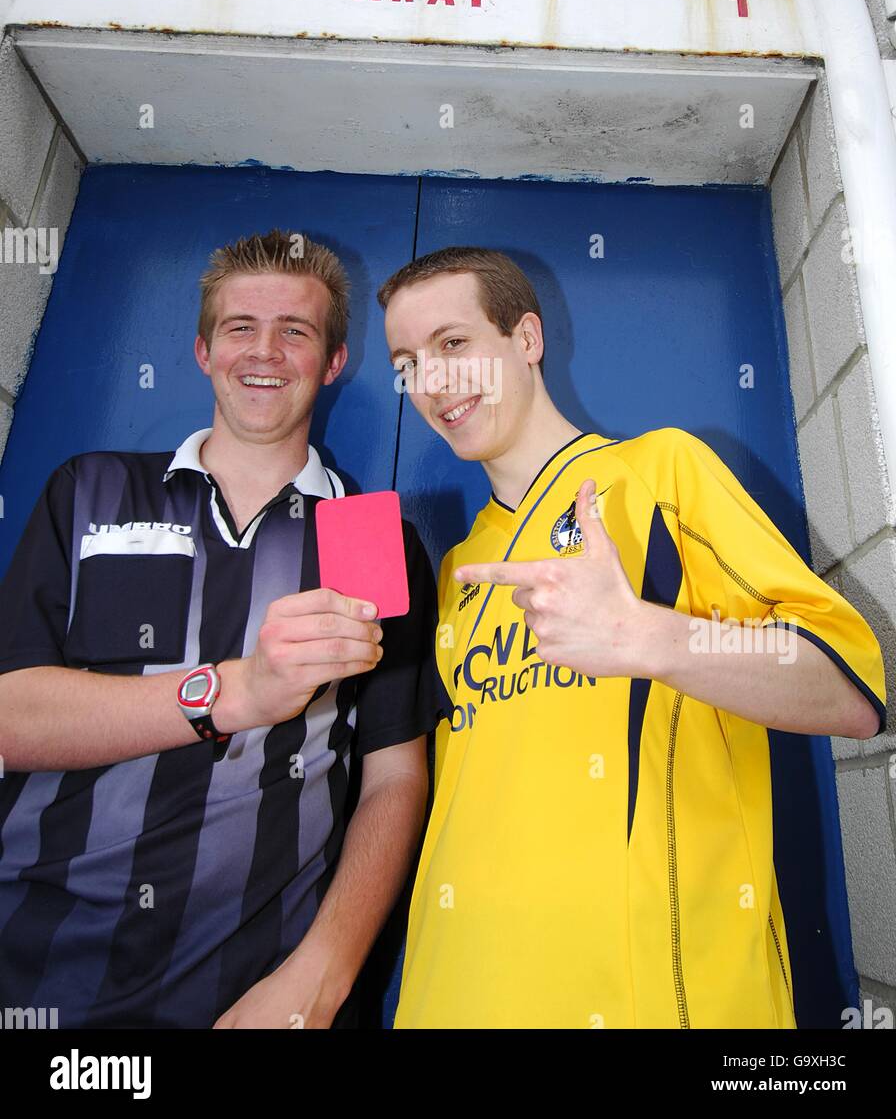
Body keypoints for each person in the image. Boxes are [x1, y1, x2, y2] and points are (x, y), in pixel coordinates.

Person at [377, 245, 887, 1030]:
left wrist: (651, 639)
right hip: (454, 999)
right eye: (406, 361)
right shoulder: (459, 569)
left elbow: (852, 687)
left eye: (453, 344)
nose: (431, 382)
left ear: (527, 339)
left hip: (656, 1001)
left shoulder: (661, 474)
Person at [0, 229, 439, 1030]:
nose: (263, 351)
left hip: (256, 996)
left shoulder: (370, 538)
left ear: (334, 361)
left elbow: (394, 779)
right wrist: (236, 691)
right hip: (34, 972)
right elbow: (10, 719)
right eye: (240, 326)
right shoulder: (90, 489)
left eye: (295, 330)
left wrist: (323, 976)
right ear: (203, 349)